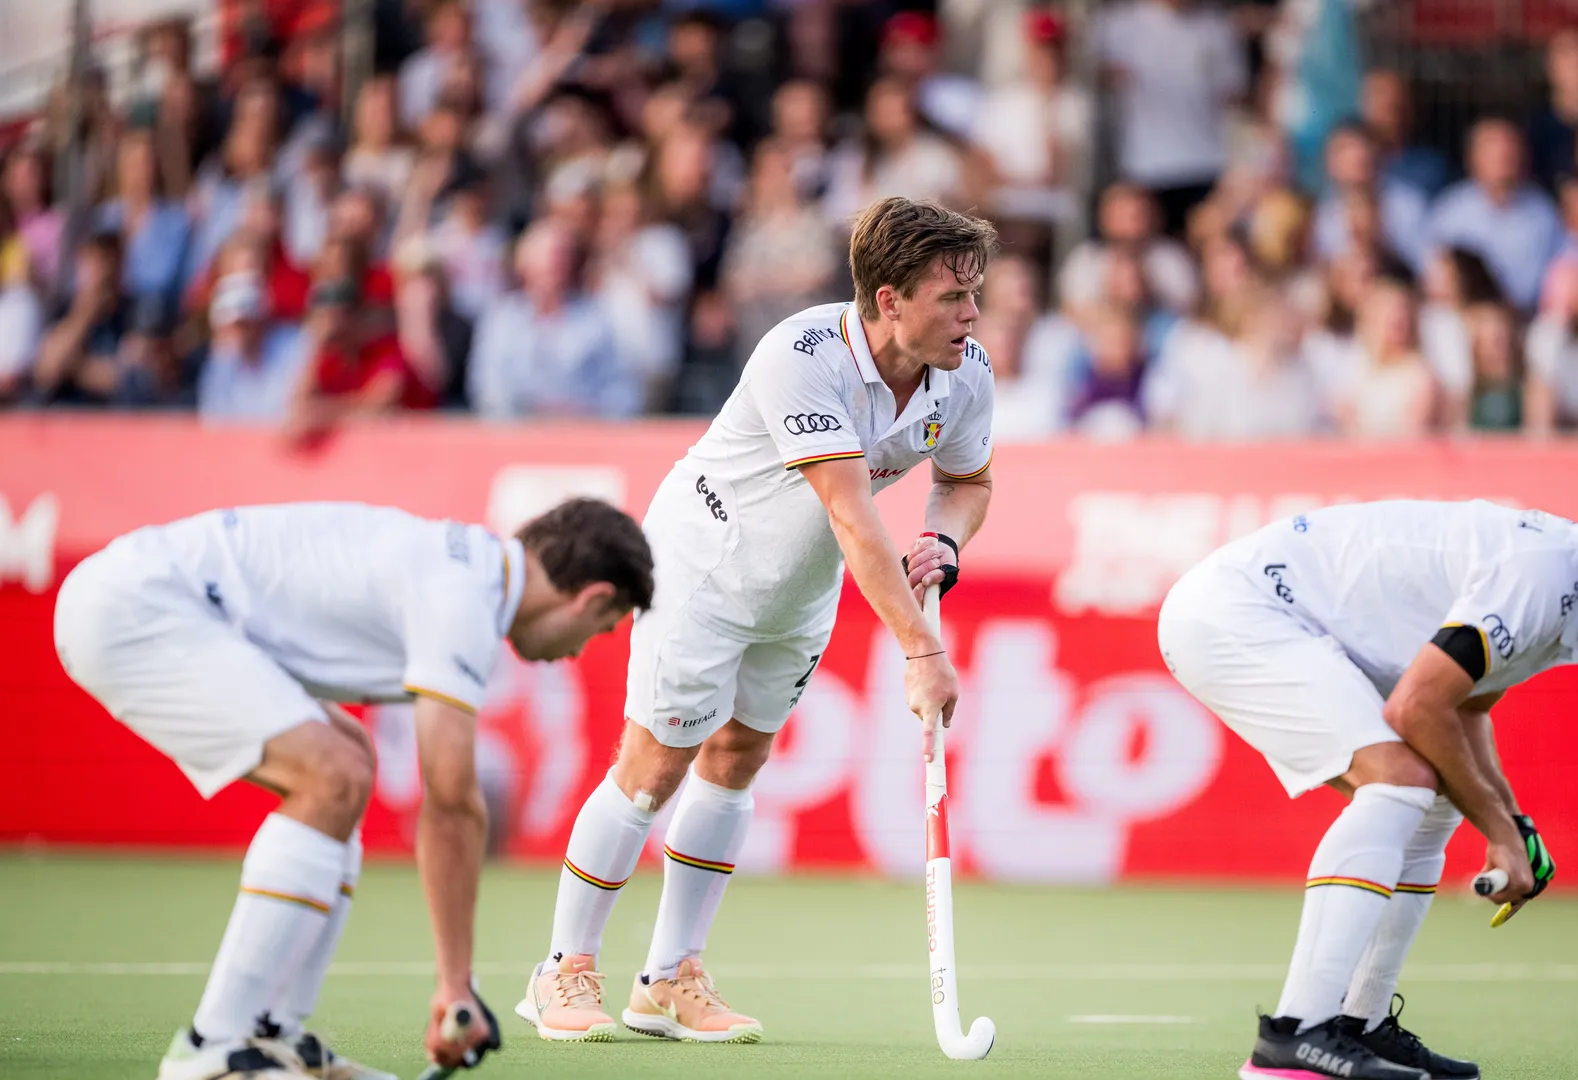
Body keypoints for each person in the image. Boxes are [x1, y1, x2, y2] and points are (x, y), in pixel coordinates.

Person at [518, 197, 998, 1044]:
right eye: (952, 296)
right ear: (889, 299)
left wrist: (945, 541)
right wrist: (921, 648)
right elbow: (851, 512)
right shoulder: (802, 355)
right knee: (654, 763)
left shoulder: (968, 374)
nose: (972, 313)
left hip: (799, 584)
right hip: (704, 565)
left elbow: (969, 482)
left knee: (737, 760)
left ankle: (667, 977)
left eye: (975, 293)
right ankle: (563, 968)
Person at [1158, 469, 1578, 1080]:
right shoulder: (1544, 575)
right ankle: (1296, 1037)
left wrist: (1513, 825)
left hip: (1252, 611)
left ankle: (1359, 1024)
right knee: (1400, 779)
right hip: (1236, 611)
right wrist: (1496, 830)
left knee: (1432, 789)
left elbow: (1464, 712)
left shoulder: (1571, 592)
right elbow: (1415, 707)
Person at [51, 498, 653, 1080]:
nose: (575, 652)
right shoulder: (463, 599)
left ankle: (271, 1033)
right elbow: (450, 804)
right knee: (329, 776)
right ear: (591, 597)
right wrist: (455, 986)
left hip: (146, 599)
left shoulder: (469, 572)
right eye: (600, 629)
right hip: (135, 608)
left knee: (350, 763)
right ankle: (215, 1047)